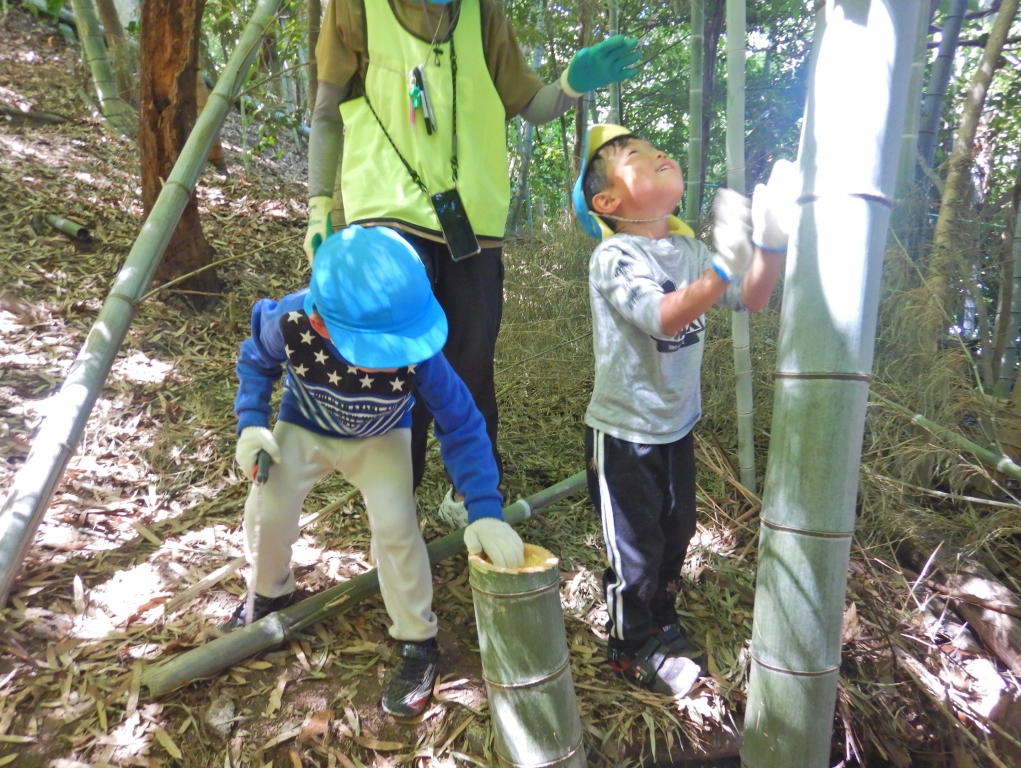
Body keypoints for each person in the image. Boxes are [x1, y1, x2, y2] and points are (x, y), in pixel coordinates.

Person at [305, 0, 643, 524]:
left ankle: (473, 498)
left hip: (473, 226)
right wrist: (318, 205)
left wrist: (573, 83)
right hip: (386, 215)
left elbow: (534, 103)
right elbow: (327, 112)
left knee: (470, 364)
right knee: (394, 364)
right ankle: (394, 501)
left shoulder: (482, 13)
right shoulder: (355, 8)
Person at [226, 224, 525, 718]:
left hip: (383, 436)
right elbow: (257, 361)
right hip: (305, 426)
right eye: (382, 351)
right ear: (322, 325)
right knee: (267, 508)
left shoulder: (419, 347)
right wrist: (252, 424)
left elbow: (462, 423)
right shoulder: (291, 319)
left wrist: (484, 510)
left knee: (397, 529)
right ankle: (269, 592)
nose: (396, 360)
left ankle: (417, 639)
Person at [574, 123, 795, 696]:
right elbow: (663, 317)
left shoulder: (690, 248)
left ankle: (659, 616)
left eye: (659, 150)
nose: (660, 155)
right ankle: (628, 646)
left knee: (677, 532)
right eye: (639, 158)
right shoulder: (614, 255)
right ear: (608, 202)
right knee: (635, 550)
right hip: (624, 432)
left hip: (677, 424)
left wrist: (769, 245)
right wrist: (724, 262)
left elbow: (752, 297)